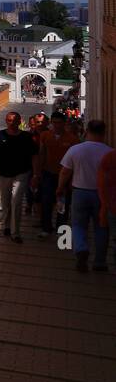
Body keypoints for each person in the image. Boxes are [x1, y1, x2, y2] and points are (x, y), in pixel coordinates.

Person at [59, 120, 111, 272]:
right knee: (102, 227)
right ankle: (100, 262)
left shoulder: (76, 150)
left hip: (80, 192)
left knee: (78, 225)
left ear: (87, 131)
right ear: (104, 132)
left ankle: (81, 248)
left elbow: (65, 171)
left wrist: (60, 188)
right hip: (102, 195)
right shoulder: (109, 152)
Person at [0, 111, 39, 243]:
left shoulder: (26, 137)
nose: (12, 123)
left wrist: (36, 174)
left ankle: (15, 233)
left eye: (15, 121)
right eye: (9, 120)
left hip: (22, 173)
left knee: (16, 201)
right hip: (4, 174)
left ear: (20, 122)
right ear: (6, 121)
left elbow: (35, 156)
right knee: (5, 202)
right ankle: (7, 226)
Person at [35, 111, 77, 238]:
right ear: (51, 123)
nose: (57, 125)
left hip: (64, 176)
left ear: (64, 123)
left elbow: (75, 161)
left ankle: (61, 228)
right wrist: (37, 174)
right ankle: (46, 228)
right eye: (54, 123)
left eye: (59, 123)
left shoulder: (72, 139)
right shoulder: (45, 135)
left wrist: (72, 179)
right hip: (48, 173)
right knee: (46, 200)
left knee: (62, 203)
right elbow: (41, 154)